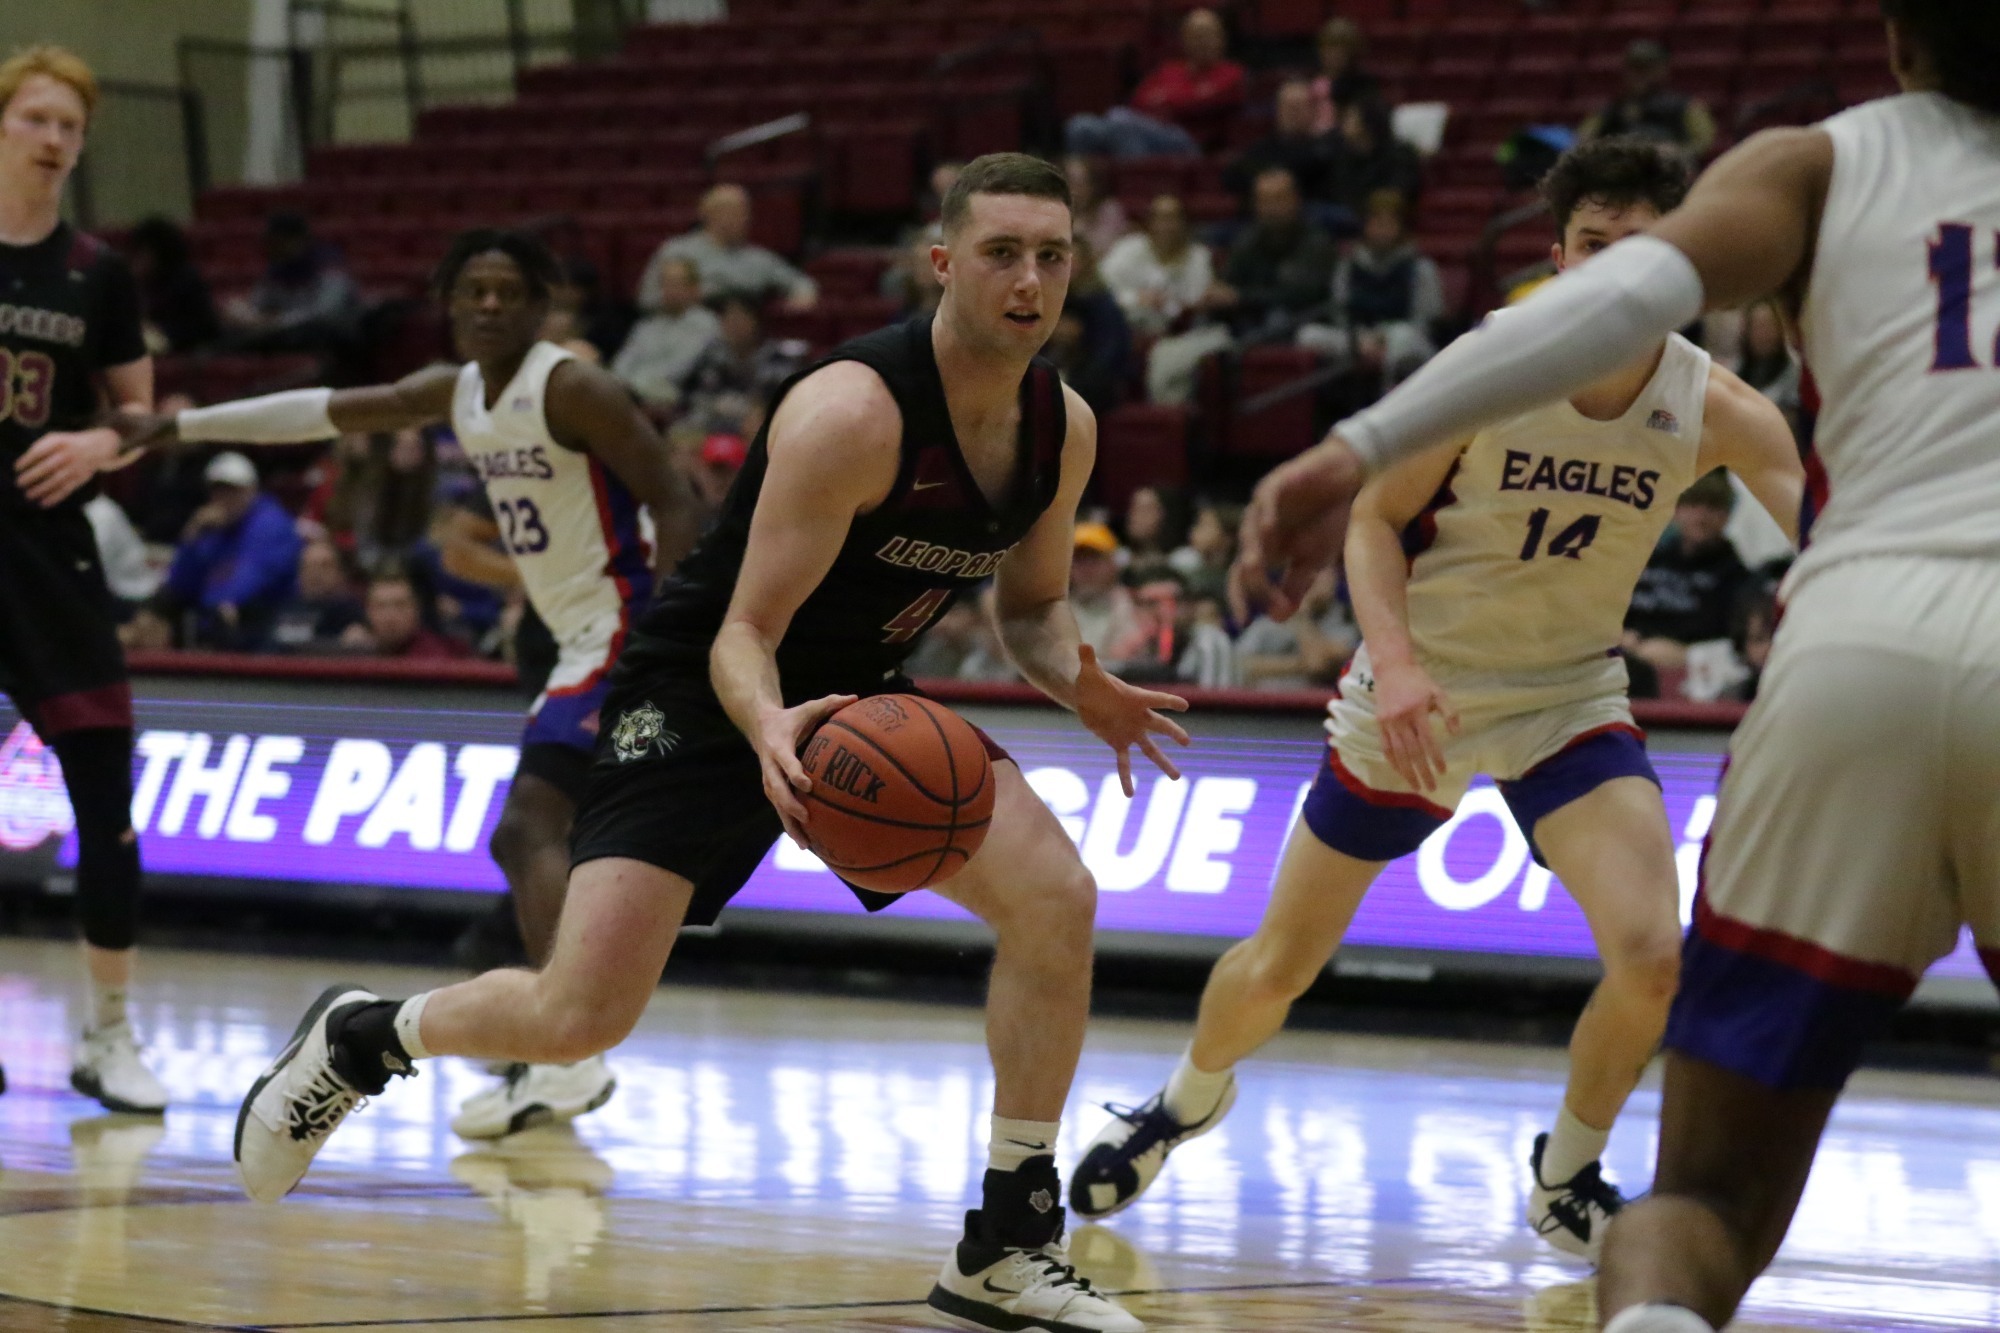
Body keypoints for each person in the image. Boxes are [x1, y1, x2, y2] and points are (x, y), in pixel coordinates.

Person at [223, 153, 1186, 1333]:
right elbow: (745, 627)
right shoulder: (851, 411)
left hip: (857, 706)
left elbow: (1030, 606)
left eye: (1050, 254)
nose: (1028, 279)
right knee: (581, 1016)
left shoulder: (1061, 427)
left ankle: (1007, 1243)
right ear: (941, 262)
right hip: (702, 692)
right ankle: (365, 1036)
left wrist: (1081, 683)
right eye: (1000, 252)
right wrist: (768, 723)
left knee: (1057, 903)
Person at [1227, 6, 2000, 1328]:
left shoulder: (1815, 162)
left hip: (1857, 639)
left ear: (1895, 38)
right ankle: (1208, 1083)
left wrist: (1355, 443)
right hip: (1478, 677)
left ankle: (1607, 1225)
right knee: (1300, 948)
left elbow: (1624, 301)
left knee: (1701, 1193)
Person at [1074, 138, 1803, 1266]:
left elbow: (1829, 522)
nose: (1614, 268)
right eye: (1592, 246)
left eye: (1642, 247)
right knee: (1279, 963)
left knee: (1656, 957)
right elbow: (1369, 518)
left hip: (1567, 697)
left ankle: (1566, 1172)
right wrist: (1398, 663)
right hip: (1422, 693)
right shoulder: (1493, 360)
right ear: (1557, 258)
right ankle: (1181, 1099)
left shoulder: (1713, 404)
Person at [111, 227, 699, 1142]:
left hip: (621, 626)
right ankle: (560, 1050)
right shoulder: (454, 391)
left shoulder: (574, 387)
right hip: (568, 630)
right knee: (538, 839)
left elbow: (678, 496)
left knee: (529, 827)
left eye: (510, 290)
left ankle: (568, 1049)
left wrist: (680, 627)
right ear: (451, 305)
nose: (491, 305)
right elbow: (327, 410)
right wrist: (179, 426)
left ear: (542, 305)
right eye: (475, 292)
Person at [0, 45, 166, 1113]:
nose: (56, 140)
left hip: (48, 556)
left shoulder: (97, 273)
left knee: (106, 797)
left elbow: (142, 417)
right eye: (38, 120)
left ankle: (109, 1036)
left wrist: (104, 448)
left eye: (72, 126)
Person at [1146, 167, 1337, 405]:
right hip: (1240, 329)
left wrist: (1240, 298)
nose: (1271, 209)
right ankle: (1178, 422)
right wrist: (1215, 295)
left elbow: (1303, 295)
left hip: (1293, 329)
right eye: (1264, 201)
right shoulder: (1250, 239)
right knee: (1167, 354)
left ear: (1295, 200)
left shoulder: (1315, 243)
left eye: (1278, 199)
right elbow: (1229, 286)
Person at [1298, 190, 1446, 393]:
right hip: (1359, 338)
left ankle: (1392, 403)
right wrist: (1361, 339)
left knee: (1403, 338)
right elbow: (1339, 310)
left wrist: (1382, 337)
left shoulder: (1420, 267)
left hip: (1403, 338)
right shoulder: (1348, 265)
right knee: (1307, 334)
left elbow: (1427, 319)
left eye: (1389, 224)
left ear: (1401, 227)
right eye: (1376, 223)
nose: (1382, 230)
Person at [157, 450, 302, 648]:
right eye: (218, 491)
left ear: (252, 490)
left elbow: (251, 575)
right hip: (218, 624)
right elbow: (181, 585)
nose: (225, 498)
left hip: (269, 623)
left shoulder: (270, 523)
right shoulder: (212, 530)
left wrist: (219, 601)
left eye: (233, 490)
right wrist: (191, 538)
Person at [1064, 7, 1245, 159]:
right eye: (1196, 36)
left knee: (1121, 121)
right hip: (1145, 128)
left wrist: (1166, 99)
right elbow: (1139, 101)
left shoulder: (1232, 73)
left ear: (1222, 38)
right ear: (1184, 39)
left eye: (1208, 35)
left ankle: (1135, 188)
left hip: (1189, 141)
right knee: (1079, 125)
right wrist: (1174, 101)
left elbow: (1197, 105)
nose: (1202, 42)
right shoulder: (1169, 70)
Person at [1623, 470, 1751, 674]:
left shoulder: (1739, 578)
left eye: (1712, 506)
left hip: (1695, 683)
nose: (1701, 516)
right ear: (1675, 510)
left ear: (1726, 514)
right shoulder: (1646, 562)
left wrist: (1689, 656)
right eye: (1692, 504)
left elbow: (1741, 648)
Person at [633, 183, 816, 313]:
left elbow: (799, 282)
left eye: (745, 213)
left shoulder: (757, 258)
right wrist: (676, 300)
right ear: (709, 214)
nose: (744, 219)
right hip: (682, 329)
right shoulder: (677, 251)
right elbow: (646, 298)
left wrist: (803, 295)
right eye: (733, 212)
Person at [221, 211, 364, 355]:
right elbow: (258, 304)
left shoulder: (328, 264)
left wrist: (276, 322)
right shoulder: (277, 269)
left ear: (298, 240)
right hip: (284, 333)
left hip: (331, 339)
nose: (271, 249)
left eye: (278, 242)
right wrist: (243, 314)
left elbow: (326, 312)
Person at [675, 294, 809, 436]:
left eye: (740, 318)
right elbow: (693, 398)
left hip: (761, 434)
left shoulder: (778, 359)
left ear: (757, 322)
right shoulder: (710, 356)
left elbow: (774, 407)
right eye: (728, 318)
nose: (734, 325)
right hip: (711, 430)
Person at [610, 256, 720, 411]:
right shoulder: (647, 325)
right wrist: (617, 383)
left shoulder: (705, 324)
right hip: (631, 393)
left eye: (676, 284)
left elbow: (680, 368)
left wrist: (633, 385)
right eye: (665, 284)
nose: (669, 290)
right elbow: (623, 362)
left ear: (695, 289)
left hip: (677, 398)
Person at [1100, 195, 1214, 340]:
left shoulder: (1198, 256)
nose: (1165, 226)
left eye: (1172, 218)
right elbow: (1102, 286)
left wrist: (1169, 302)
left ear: (1184, 222)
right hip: (1125, 329)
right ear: (1149, 222)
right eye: (1159, 218)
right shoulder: (1127, 248)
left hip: (1180, 333)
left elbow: (1198, 298)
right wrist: (1136, 298)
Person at [1581, 40, 1718, 160]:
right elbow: (1585, 139)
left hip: (1666, 168)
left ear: (1663, 69)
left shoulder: (1685, 106)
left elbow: (1703, 143)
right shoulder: (1612, 107)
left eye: (1646, 68)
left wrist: (1677, 152)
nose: (1640, 75)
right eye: (1635, 68)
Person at [1044, 237, 1132, 415]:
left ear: (1087, 263)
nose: (1069, 266)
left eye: (1074, 259)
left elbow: (1111, 353)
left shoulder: (1101, 302)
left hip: (1092, 379)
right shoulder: (1046, 299)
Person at [1225, 79, 1339, 207]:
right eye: (1287, 107)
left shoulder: (1328, 145)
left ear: (1313, 110)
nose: (1292, 113)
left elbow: (1309, 170)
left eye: (1298, 107)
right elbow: (1231, 176)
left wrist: (1267, 173)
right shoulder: (1265, 146)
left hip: (1312, 211)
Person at [126, 216, 218, 354]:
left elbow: (190, 331)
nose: (134, 262)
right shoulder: (141, 286)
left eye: (140, 254)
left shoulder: (186, 283)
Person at [339, 565, 467, 660]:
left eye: (400, 605)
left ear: (416, 610)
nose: (390, 616)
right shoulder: (356, 650)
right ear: (368, 612)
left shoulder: (435, 657)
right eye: (381, 606)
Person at [1325, 99, 1424, 220]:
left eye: (1350, 117)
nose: (1342, 124)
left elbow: (1398, 193)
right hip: (1351, 218)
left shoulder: (1398, 155)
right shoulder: (1341, 154)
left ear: (1367, 123)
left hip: (1388, 219)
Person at [264, 534, 363, 652]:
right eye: (308, 567)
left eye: (324, 566)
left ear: (340, 573)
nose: (315, 574)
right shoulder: (284, 609)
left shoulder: (353, 615)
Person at [1309, 18, 1382, 137]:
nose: (1333, 54)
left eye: (1340, 49)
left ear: (1352, 52)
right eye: (1328, 48)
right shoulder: (1309, 79)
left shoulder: (1363, 84)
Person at [1064, 156, 1129, 264]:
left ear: (1093, 185)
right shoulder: (1055, 213)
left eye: (1082, 183)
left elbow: (1114, 251)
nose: (1075, 190)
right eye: (1071, 182)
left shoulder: (1110, 211)